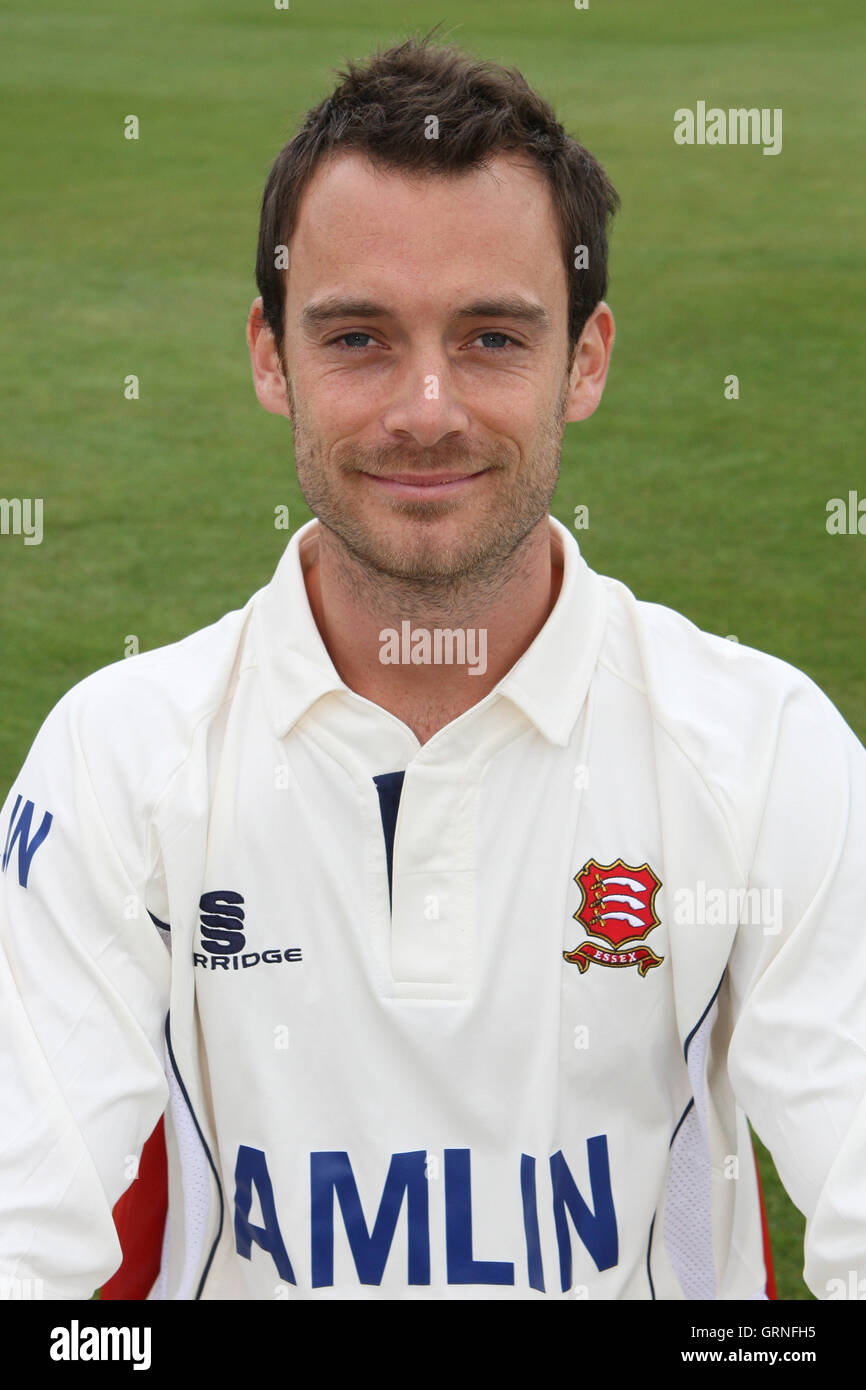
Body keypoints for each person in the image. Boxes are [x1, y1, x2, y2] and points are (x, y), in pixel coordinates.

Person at [1, 33, 864, 1302]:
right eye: (355, 337)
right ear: (266, 355)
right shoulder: (115, 757)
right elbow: (29, 1233)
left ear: (585, 359)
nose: (423, 408)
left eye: (491, 339)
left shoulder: (766, 748)